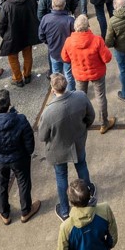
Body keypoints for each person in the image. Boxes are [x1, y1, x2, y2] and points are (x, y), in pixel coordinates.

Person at [0, 88, 40, 224]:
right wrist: (28, 152)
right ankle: (26, 211)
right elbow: (29, 140)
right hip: (19, 158)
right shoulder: (20, 120)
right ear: (9, 105)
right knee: (23, 183)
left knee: (1, 186)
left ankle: (5, 214)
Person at [37, 72, 94, 220]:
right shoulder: (81, 97)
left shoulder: (48, 112)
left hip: (58, 150)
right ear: (66, 84)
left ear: (53, 89)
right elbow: (91, 116)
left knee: (61, 176)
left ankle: (64, 211)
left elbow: (42, 136)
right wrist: (83, 129)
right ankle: (88, 195)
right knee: (82, 166)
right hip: (78, 143)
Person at [55, 178, 117, 250]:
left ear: (71, 202)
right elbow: (113, 237)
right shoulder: (105, 209)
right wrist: (108, 246)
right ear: (89, 194)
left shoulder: (66, 227)